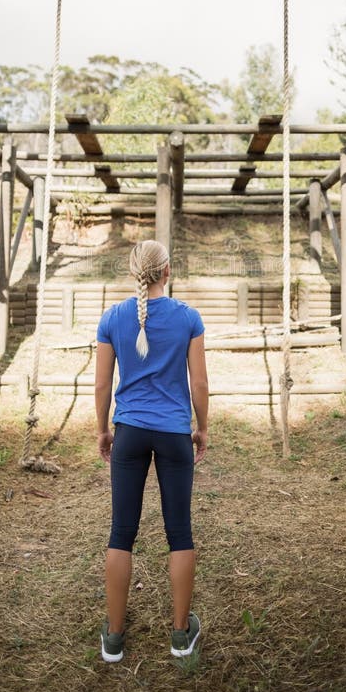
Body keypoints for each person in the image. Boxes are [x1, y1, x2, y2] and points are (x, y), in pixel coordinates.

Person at [95, 239, 209, 663]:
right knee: (179, 531)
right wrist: (203, 427)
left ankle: (114, 638)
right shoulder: (188, 318)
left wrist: (102, 430)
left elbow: (103, 385)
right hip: (174, 434)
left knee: (121, 532)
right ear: (167, 271)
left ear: (133, 273)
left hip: (129, 433)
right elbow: (199, 384)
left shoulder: (112, 318)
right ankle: (180, 637)